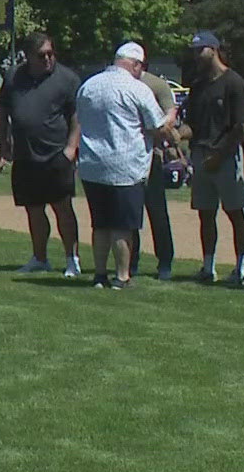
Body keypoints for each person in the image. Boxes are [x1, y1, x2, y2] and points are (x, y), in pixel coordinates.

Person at [74, 43, 176, 289]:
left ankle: (100, 275)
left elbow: (81, 119)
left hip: (92, 164)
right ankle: (122, 276)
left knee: (100, 224)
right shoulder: (137, 88)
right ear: (136, 65)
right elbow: (157, 126)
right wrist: (171, 124)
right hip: (125, 166)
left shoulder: (88, 85)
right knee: (122, 226)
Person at [0, 32, 84, 278]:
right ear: (28, 56)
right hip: (25, 154)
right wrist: (4, 142)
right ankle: (40, 258)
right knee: (33, 209)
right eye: (41, 55)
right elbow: (2, 110)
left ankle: (72, 259)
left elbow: (77, 117)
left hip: (56, 154)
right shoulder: (14, 77)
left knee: (62, 208)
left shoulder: (67, 79)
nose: (47, 59)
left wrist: (71, 149)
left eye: (50, 53)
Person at [181, 32, 244, 286]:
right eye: (194, 50)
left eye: (200, 50)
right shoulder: (198, 85)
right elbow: (193, 125)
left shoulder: (234, 82)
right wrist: (177, 134)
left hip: (226, 156)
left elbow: (240, 128)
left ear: (213, 49)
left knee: (234, 212)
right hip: (201, 154)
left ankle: (240, 269)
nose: (196, 55)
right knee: (206, 214)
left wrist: (219, 156)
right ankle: (208, 267)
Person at [127, 56, 180, 281]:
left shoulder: (156, 85)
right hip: (128, 156)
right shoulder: (121, 84)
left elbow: (171, 114)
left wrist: (157, 130)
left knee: (157, 211)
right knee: (130, 212)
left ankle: (165, 261)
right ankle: (131, 261)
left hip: (152, 156)